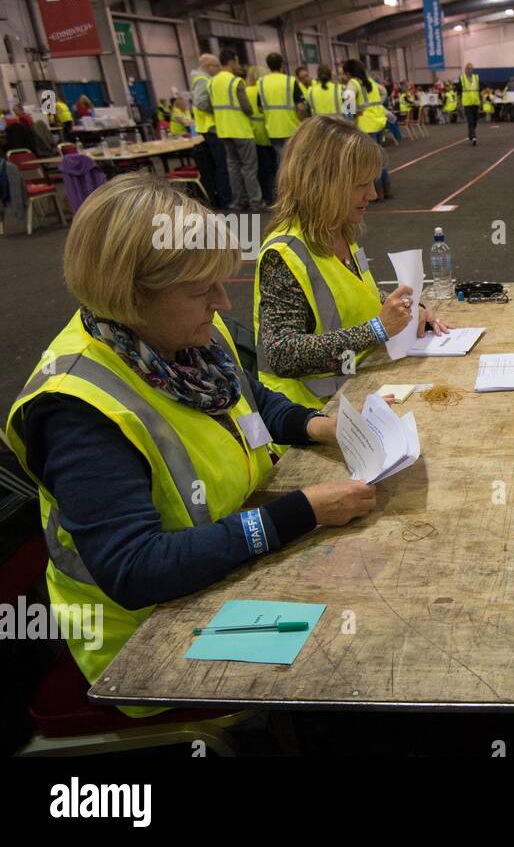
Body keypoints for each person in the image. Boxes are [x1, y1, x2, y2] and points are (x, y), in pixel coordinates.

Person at [5, 174, 378, 716]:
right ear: (132, 295)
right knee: (346, 657)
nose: (222, 302)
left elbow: (251, 404)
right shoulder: (77, 409)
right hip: (154, 635)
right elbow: (135, 568)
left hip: (227, 568)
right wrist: (300, 513)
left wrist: (319, 426)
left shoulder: (186, 334)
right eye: (202, 290)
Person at [254, 116, 450, 410]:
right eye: (360, 185)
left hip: (357, 390)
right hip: (312, 418)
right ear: (321, 184)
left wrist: (408, 310)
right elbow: (281, 352)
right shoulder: (283, 255)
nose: (372, 194)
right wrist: (377, 329)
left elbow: (350, 297)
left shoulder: (342, 232)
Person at [210, 48, 264, 212]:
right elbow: (247, 108)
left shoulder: (211, 82)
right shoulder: (236, 82)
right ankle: (256, 202)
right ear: (232, 61)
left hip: (224, 131)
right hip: (241, 130)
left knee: (233, 167)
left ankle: (238, 201)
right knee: (249, 168)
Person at [340, 59, 391, 200]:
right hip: (379, 122)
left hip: (366, 125)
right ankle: (386, 189)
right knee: (379, 157)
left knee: (370, 161)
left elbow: (348, 97)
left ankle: (377, 192)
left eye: (343, 73)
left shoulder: (353, 83)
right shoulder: (370, 82)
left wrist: (350, 114)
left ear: (348, 72)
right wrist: (377, 105)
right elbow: (384, 92)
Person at [189, 53, 231, 209]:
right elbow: (200, 102)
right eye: (217, 66)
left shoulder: (204, 80)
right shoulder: (202, 80)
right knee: (222, 165)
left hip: (211, 128)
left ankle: (223, 197)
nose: (219, 69)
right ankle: (224, 199)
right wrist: (218, 110)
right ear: (208, 66)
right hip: (211, 128)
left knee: (221, 164)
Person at [260, 52, 308, 161]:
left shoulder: (261, 82)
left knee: (281, 160)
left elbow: (260, 107)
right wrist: (302, 122)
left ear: (268, 66)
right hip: (291, 127)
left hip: (272, 129)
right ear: (282, 65)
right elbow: (301, 107)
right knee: (295, 159)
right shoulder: (290, 81)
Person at [246, 64, 279, 204]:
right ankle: (276, 195)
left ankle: (266, 197)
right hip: (269, 129)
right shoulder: (263, 89)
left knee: (261, 169)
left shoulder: (246, 91)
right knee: (274, 166)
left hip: (252, 131)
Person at [459, 62, 481, 145]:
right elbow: (459, 91)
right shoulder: (462, 78)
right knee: (470, 120)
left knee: (475, 120)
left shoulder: (476, 78)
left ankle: (470, 134)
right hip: (467, 103)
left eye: (472, 69)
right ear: (465, 70)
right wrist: (459, 102)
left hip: (475, 102)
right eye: (468, 69)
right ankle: (473, 136)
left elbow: (479, 89)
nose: (470, 70)